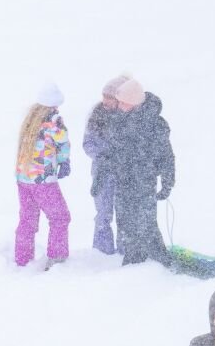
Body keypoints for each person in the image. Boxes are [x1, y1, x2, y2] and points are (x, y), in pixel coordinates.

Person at [90, 74, 175, 267]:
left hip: (144, 184)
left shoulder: (154, 125)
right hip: (123, 183)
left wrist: (168, 181)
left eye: (122, 102)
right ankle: (133, 261)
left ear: (132, 103)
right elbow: (110, 153)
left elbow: (167, 157)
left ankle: (153, 261)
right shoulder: (119, 122)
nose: (118, 106)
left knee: (146, 224)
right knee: (126, 225)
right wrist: (100, 179)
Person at [13, 84, 73, 267]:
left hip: (23, 178)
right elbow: (62, 143)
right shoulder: (54, 120)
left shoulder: (30, 119)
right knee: (60, 217)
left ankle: (22, 258)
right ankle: (57, 257)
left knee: (27, 220)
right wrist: (64, 161)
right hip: (43, 179)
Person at [81, 74, 126, 254]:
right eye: (104, 96)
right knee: (103, 214)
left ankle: (125, 249)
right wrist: (102, 157)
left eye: (110, 97)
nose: (105, 100)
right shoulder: (96, 113)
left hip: (123, 174)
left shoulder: (127, 115)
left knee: (124, 214)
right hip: (102, 173)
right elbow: (88, 143)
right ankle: (101, 252)